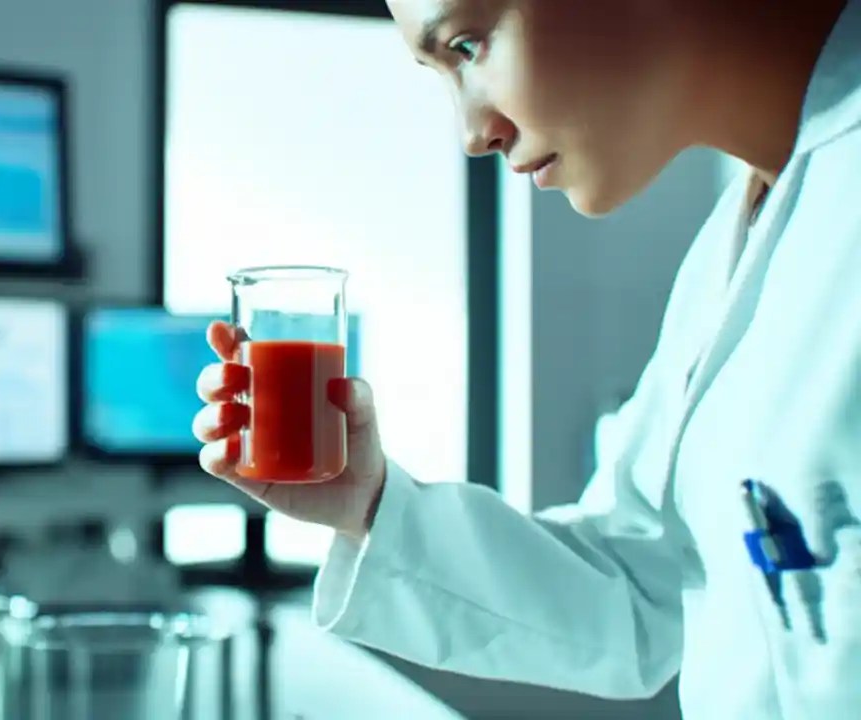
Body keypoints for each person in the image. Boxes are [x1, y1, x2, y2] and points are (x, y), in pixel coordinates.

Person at [192, 0, 861, 717]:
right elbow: (648, 588)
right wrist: (370, 504)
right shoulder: (734, 248)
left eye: (467, 46)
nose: (473, 134)